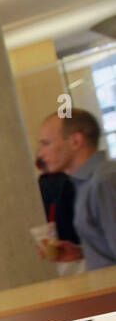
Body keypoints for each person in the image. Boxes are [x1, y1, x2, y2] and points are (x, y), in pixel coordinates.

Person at [37, 109, 116, 272]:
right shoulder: (84, 184)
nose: (40, 154)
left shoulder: (104, 181)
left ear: (75, 141)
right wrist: (82, 252)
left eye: (46, 143)